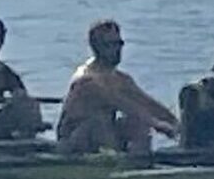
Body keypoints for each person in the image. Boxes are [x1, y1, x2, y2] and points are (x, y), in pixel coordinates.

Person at [56, 19, 177, 156]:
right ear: (97, 47)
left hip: (103, 137)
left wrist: (176, 123)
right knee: (99, 124)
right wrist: (157, 124)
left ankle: (139, 163)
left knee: (136, 125)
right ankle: (117, 166)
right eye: (110, 45)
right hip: (74, 141)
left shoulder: (121, 79)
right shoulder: (87, 80)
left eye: (119, 44)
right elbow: (123, 104)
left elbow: (146, 102)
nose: (117, 49)